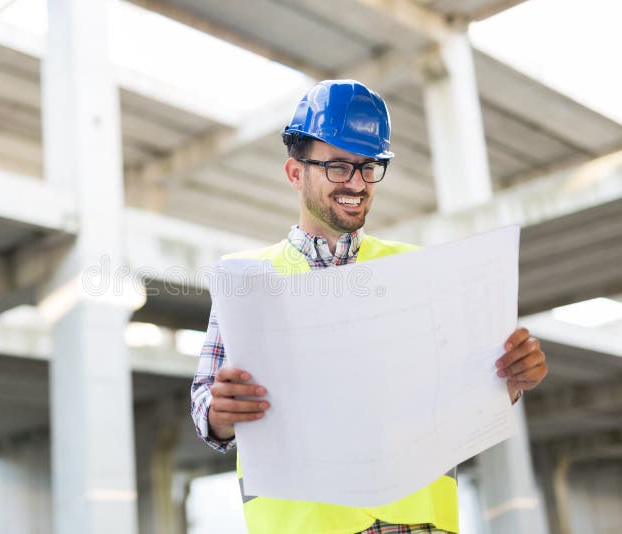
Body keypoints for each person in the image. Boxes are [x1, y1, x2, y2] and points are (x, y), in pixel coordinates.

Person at [190, 79, 547, 534]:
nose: (357, 184)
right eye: (338, 167)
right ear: (295, 173)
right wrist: (221, 414)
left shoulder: (419, 271)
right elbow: (206, 401)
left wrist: (511, 381)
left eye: (369, 166)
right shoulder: (247, 282)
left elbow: (464, 395)